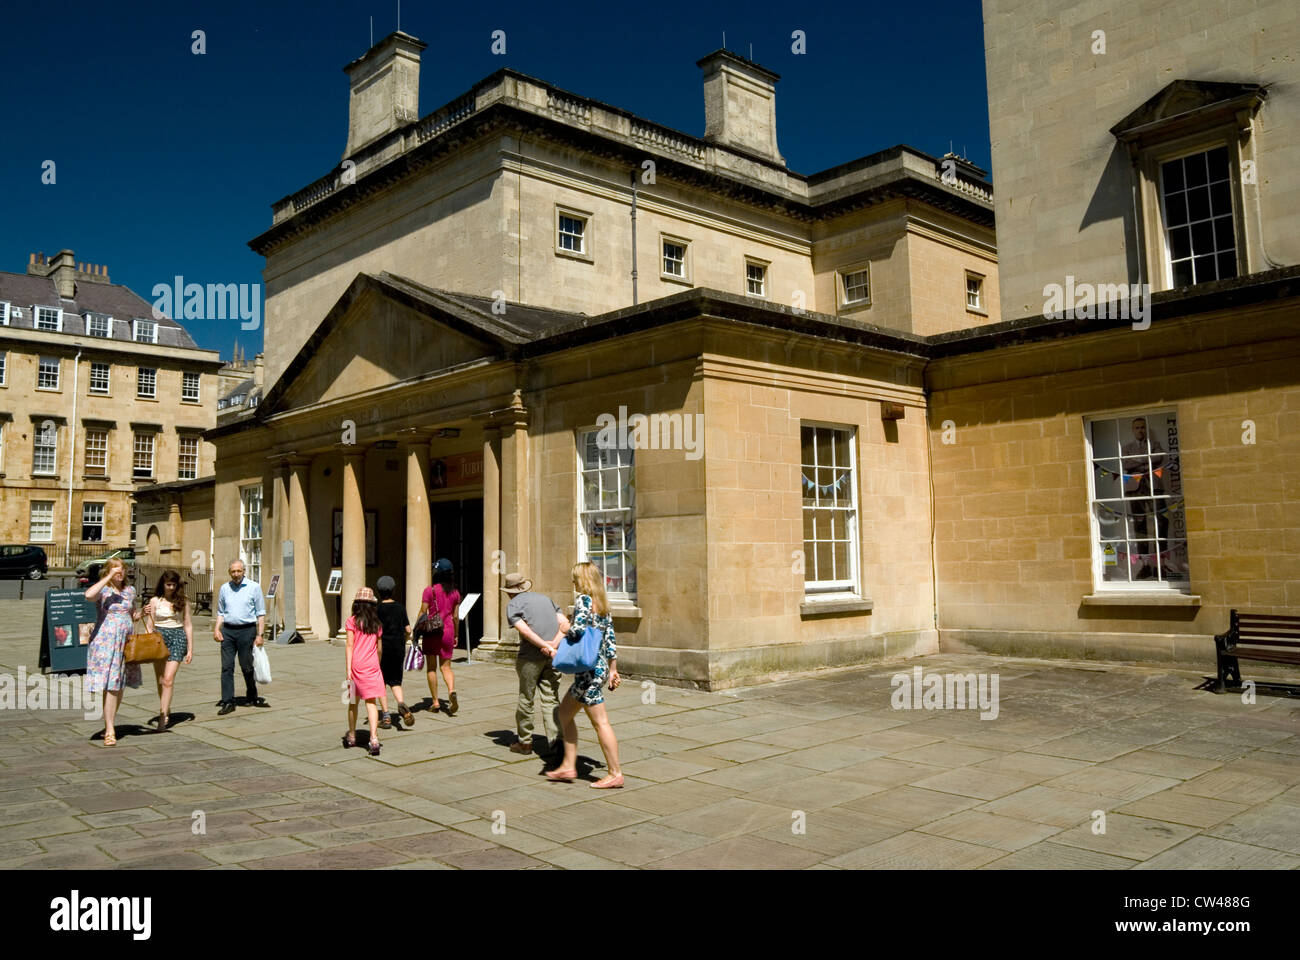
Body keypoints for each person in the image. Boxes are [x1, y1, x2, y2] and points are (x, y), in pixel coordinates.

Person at [546, 561, 623, 788]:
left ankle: (615, 773)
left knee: (601, 723)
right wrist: (613, 669)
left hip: (588, 673)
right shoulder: (603, 603)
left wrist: (564, 628)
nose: (573, 581)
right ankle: (568, 765)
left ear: (583, 579)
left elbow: (577, 630)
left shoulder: (584, 600)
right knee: (563, 714)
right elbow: (610, 640)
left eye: (575, 577)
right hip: (596, 669)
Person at [502, 571, 568, 755]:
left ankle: (524, 742)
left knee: (526, 697)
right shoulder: (546, 599)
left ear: (509, 592)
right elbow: (565, 624)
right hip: (553, 656)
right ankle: (557, 742)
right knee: (551, 698)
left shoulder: (513, 604)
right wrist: (553, 646)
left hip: (529, 658)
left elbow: (526, 632)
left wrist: (544, 646)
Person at [84, 558, 143, 746]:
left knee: (119, 684)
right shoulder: (103, 590)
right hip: (106, 642)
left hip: (125, 642)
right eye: (115, 568)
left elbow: (132, 615)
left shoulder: (130, 591)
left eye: (122, 569)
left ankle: (109, 723)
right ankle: (110, 729)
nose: (120, 572)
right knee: (111, 684)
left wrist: (143, 613)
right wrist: (108, 577)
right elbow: (88, 595)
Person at [212, 559, 267, 715]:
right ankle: (228, 701)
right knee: (226, 667)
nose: (236, 574)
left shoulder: (254, 587)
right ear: (229, 572)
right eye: (233, 571)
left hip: (247, 631)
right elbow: (221, 612)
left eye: (239, 571)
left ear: (244, 571)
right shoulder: (224, 588)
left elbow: (260, 613)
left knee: (246, 666)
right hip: (228, 631)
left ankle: (252, 693)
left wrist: (260, 635)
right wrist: (217, 629)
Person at [143, 569, 193, 731]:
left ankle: (163, 716)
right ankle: (165, 706)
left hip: (177, 636)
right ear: (163, 584)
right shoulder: (155, 601)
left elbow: (188, 624)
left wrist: (190, 648)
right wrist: (148, 643)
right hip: (159, 637)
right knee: (160, 680)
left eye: (173, 585)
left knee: (168, 679)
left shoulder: (183, 600)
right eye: (168, 584)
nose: (171, 588)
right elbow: (149, 625)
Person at [343, 586, 385, 756]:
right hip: (372, 665)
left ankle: (352, 736)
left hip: (356, 665)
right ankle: (374, 739)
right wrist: (377, 663)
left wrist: (348, 669)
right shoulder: (377, 624)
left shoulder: (351, 621)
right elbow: (379, 648)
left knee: (353, 702)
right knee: (371, 702)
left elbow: (349, 645)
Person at [416, 558, 460, 715]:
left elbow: (423, 611)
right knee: (446, 667)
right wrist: (456, 635)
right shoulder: (455, 593)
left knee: (431, 668)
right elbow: (456, 616)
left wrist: (417, 629)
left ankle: (435, 702)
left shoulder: (430, 590)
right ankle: (451, 690)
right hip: (448, 630)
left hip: (432, 631)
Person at [374, 575, 414, 729]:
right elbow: (408, 630)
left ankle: (386, 717)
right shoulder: (400, 607)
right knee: (395, 681)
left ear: (379, 592)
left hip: (382, 649)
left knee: (381, 683)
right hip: (398, 649)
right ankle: (401, 703)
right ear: (393, 590)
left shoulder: (377, 609)